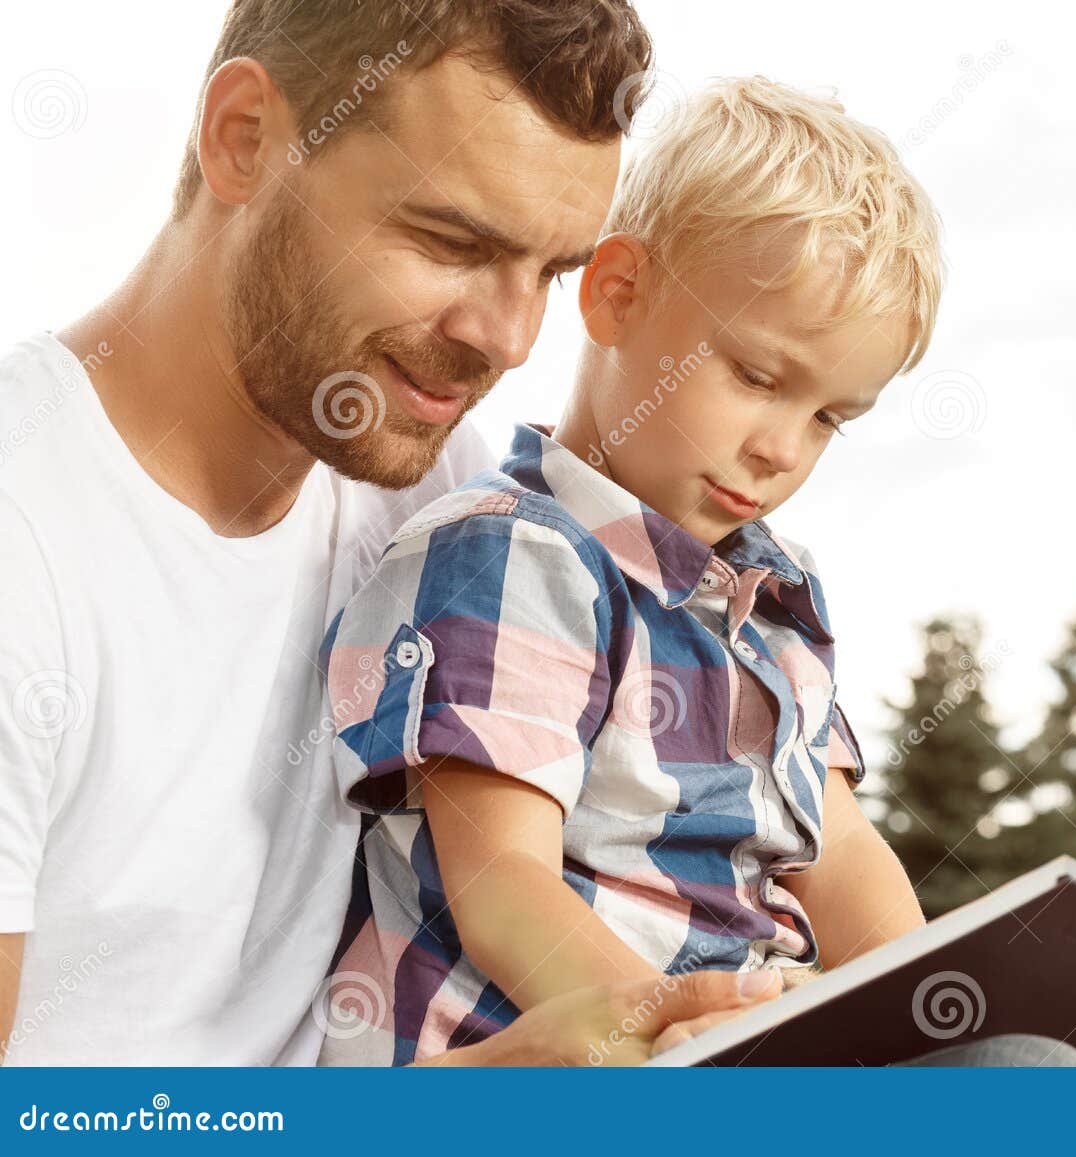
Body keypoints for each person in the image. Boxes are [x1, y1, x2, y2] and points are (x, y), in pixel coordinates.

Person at [0, 0, 781, 1065]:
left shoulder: (451, 497)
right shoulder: (26, 537)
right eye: (449, 241)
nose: (503, 339)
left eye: (549, 273)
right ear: (242, 139)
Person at [315, 78, 1076, 1069]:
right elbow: (503, 882)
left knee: (1025, 1067)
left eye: (827, 417)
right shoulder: (510, 557)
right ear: (617, 293)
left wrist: (925, 1004)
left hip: (748, 1044)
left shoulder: (774, 600)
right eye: (758, 378)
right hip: (559, 1053)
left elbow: (839, 854)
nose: (781, 449)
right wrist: (678, 1035)